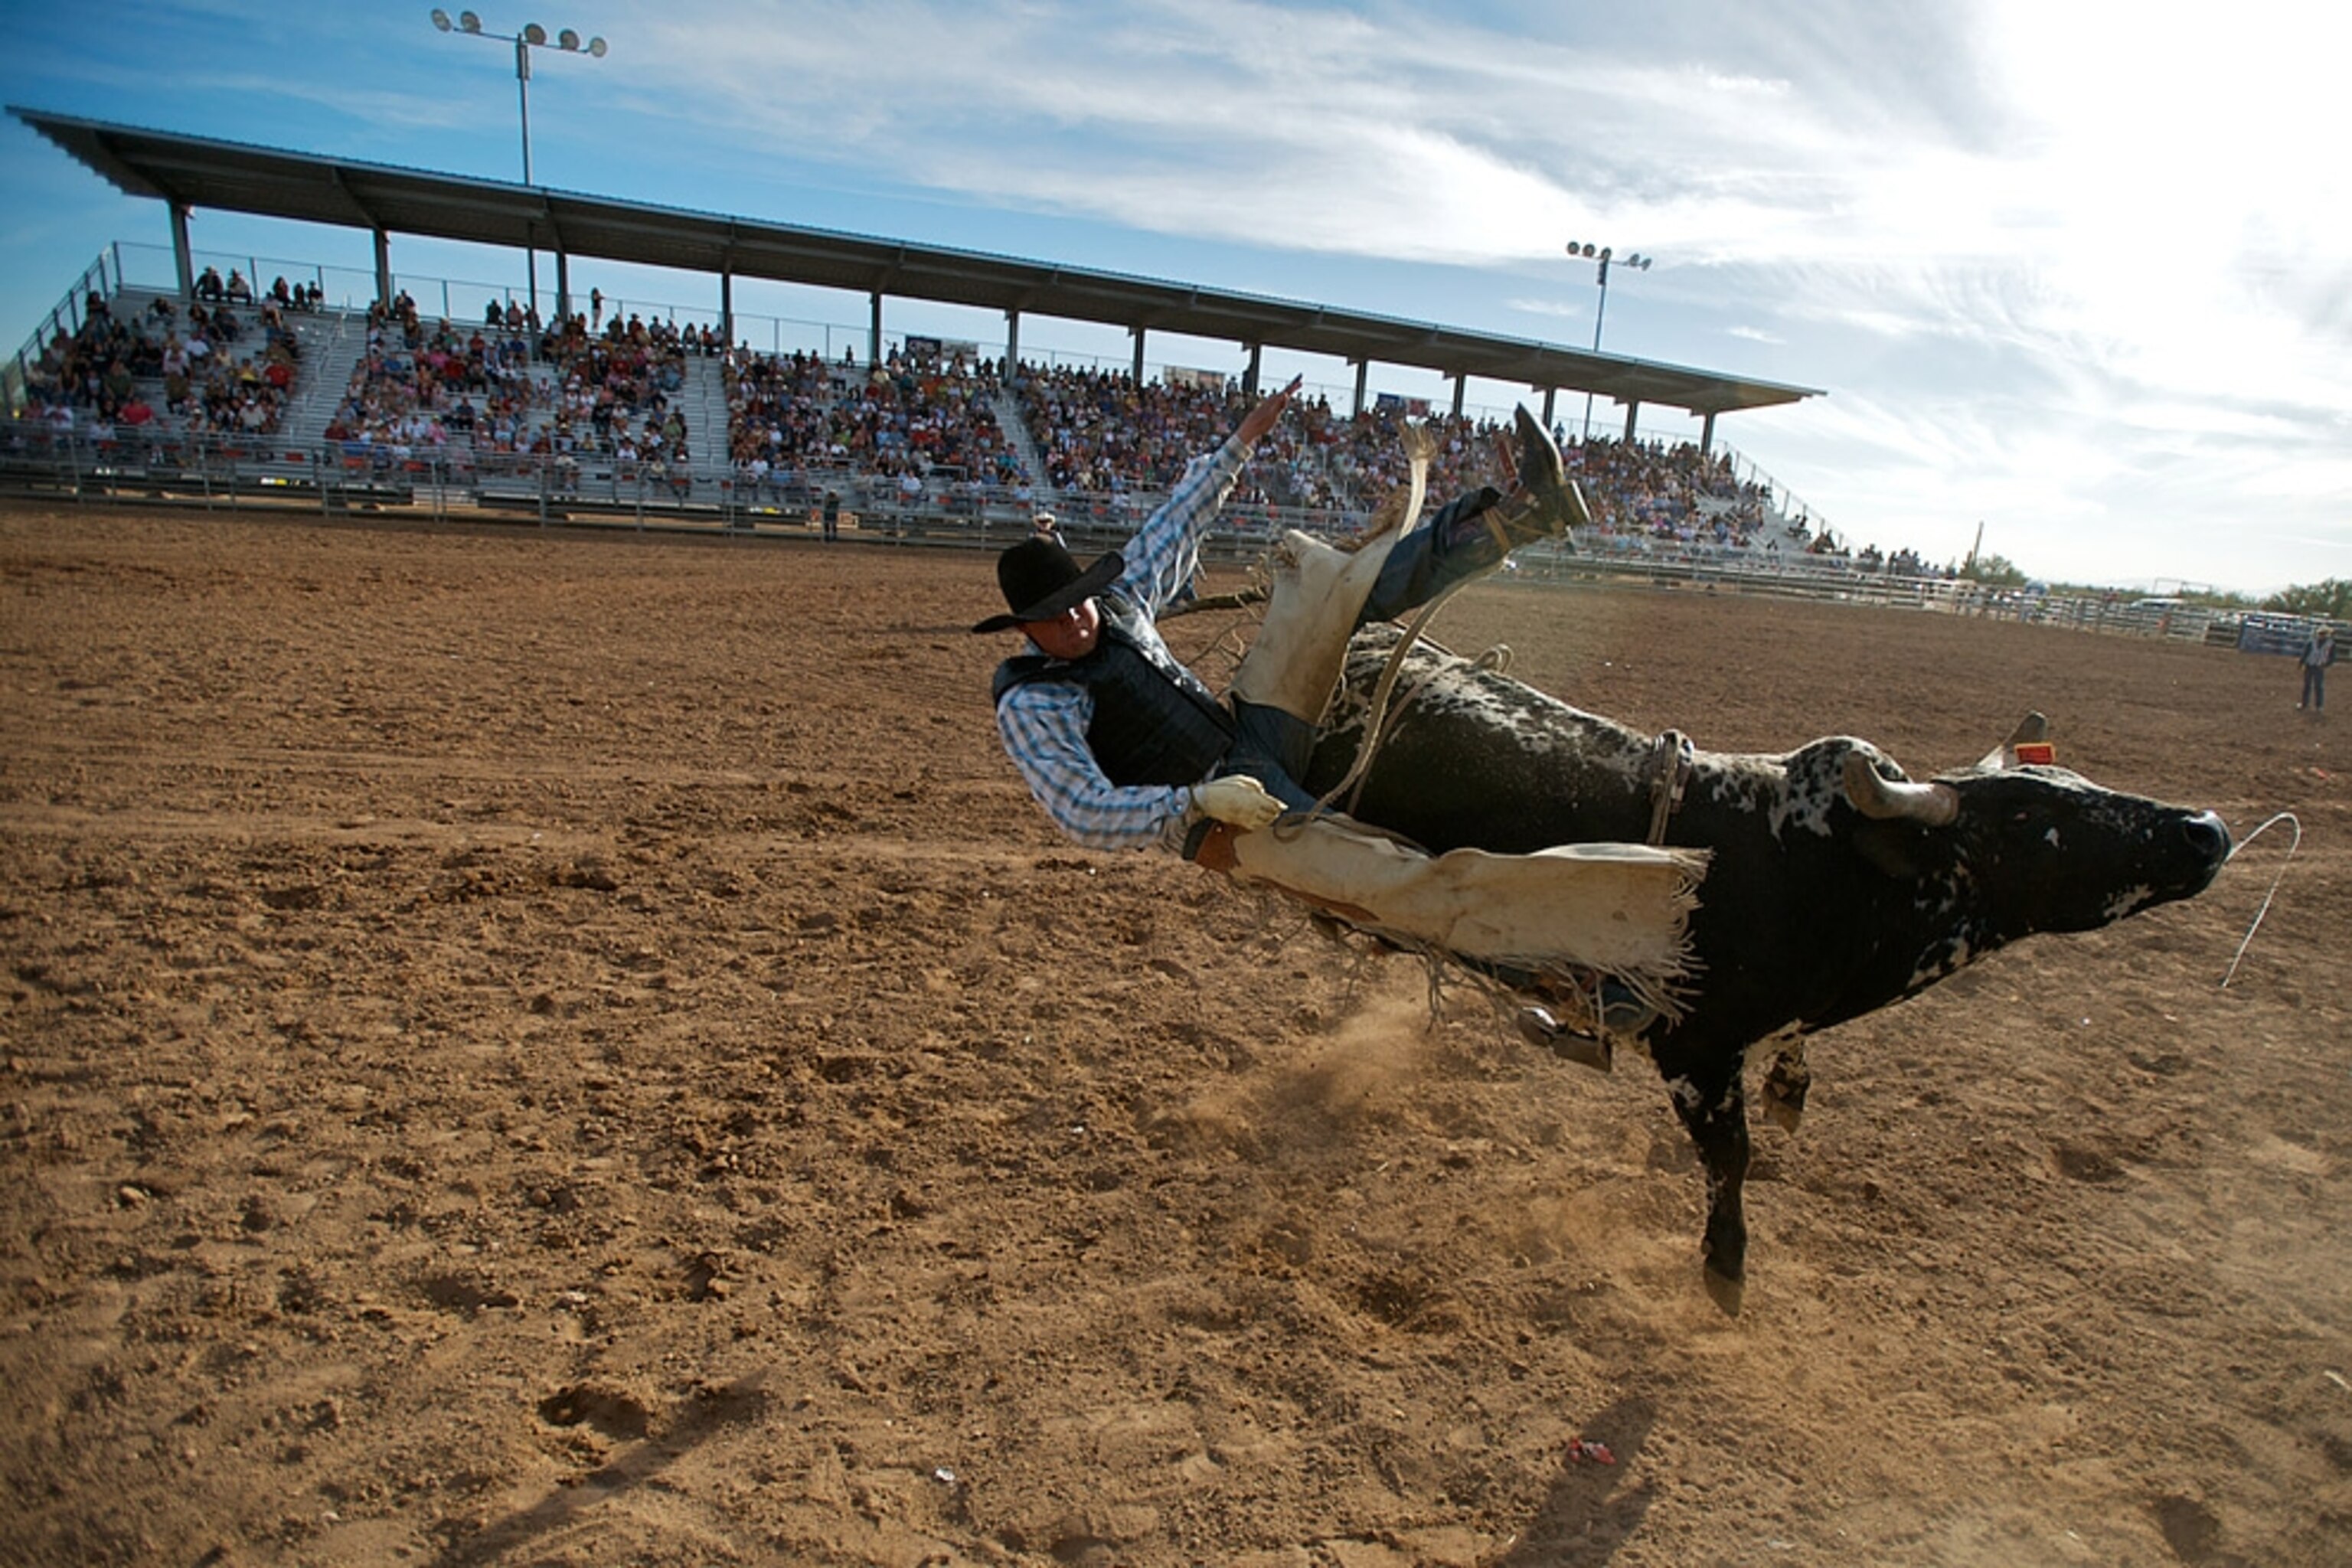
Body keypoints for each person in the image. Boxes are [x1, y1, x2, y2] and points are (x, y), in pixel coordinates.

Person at [975, 377, 1703, 1036]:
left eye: (1074, 603)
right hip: (1220, 822)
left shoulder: (1121, 602)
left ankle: (1512, 519)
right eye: (1052, 617)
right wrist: (1193, 802)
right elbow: (1082, 810)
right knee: (1392, 881)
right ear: (1024, 631)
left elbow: (1177, 521)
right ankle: (1580, 979)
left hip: (1251, 728)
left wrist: (1241, 440)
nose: (1072, 622)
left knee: (1328, 589)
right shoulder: (1035, 701)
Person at [2300, 625, 2335, 712]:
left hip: (2319, 666)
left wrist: (2326, 664)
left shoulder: (2331, 644)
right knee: (2307, 685)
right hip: (2310, 665)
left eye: (2323, 633)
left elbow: (2332, 657)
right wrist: (2302, 662)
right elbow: (2306, 652)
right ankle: (2305, 704)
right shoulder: (2312, 641)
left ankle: (2319, 706)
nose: (2321, 635)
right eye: (2320, 633)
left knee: (2318, 686)